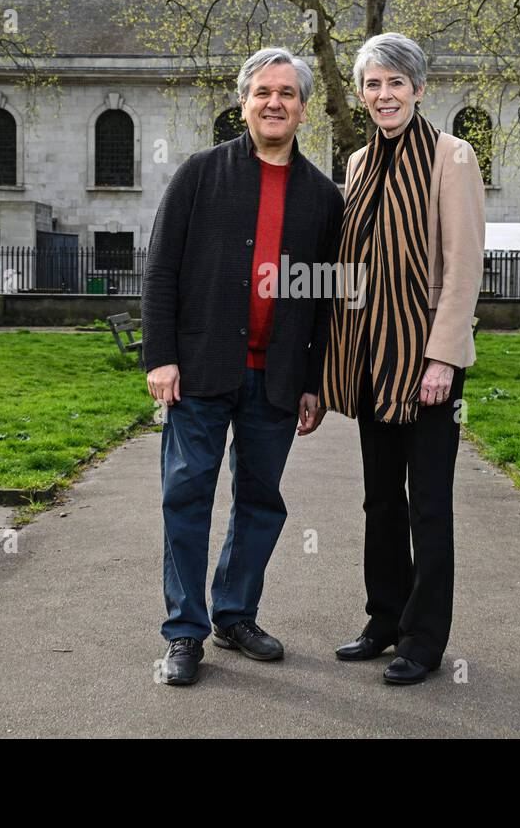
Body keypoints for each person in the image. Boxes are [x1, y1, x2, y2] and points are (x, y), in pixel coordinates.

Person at [142, 47, 344, 686]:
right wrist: (162, 358)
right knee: (187, 496)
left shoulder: (321, 195)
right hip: (200, 369)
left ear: (303, 108)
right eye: (263, 92)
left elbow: (324, 297)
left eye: (287, 93)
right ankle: (184, 634)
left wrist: (315, 380)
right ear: (244, 102)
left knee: (260, 502)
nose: (274, 102)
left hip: (276, 378)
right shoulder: (201, 174)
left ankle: (235, 614)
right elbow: (161, 268)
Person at [321, 32, 486, 685]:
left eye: (396, 83)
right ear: (362, 95)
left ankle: (423, 638)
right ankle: (384, 617)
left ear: (418, 89)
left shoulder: (454, 157)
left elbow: (463, 266)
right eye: (373, 84)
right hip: (373, 358)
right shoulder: (359, 162)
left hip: (428, 361)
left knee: (428, 505)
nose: (384, 95)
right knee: (380, 500)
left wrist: (442, 357)